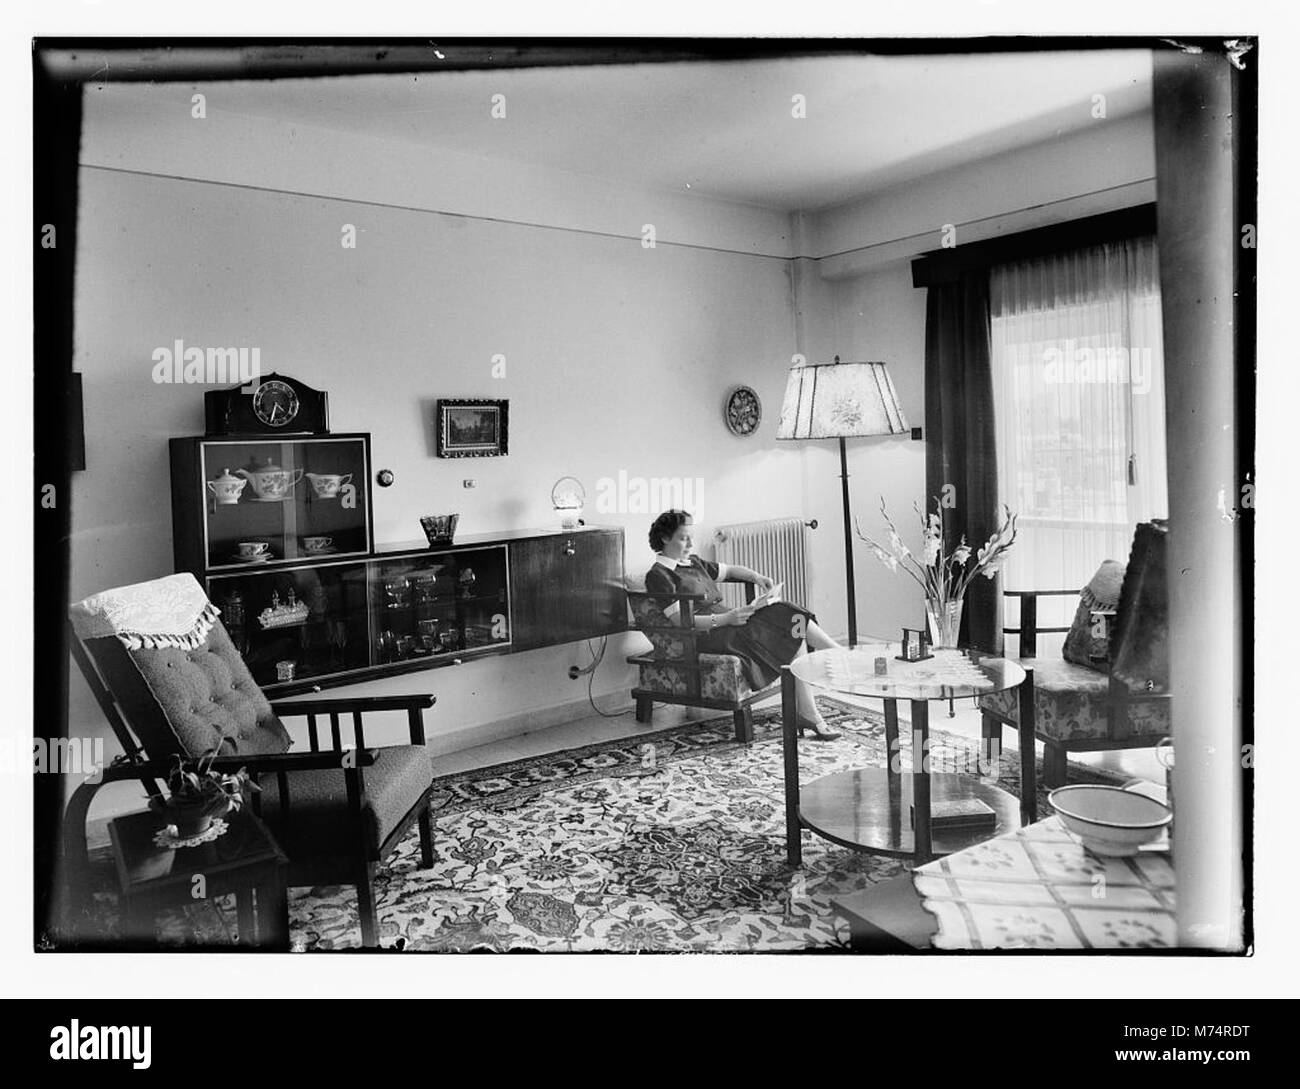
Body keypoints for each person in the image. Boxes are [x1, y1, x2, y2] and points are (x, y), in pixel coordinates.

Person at [643, 509, 842, 740]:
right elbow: (680, 620)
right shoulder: (659, 575)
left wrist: (756, 577)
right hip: (709, 634)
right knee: (789, 618)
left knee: (793, 623)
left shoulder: (693, 562)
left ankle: (811, 711)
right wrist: (726, 619)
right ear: (665, 538)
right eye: (683, 538)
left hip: (731, 623)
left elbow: (729, 570)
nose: (690, 543)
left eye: (691, 537)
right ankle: (837, 657)